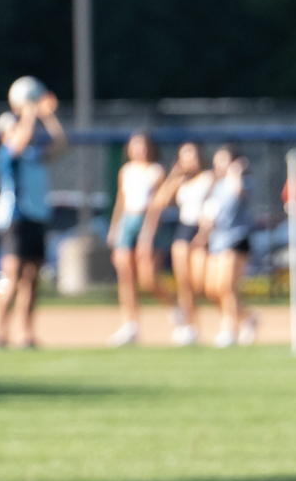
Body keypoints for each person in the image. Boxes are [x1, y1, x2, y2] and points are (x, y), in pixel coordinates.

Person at [0, 91, 66, 349]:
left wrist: (48, 116)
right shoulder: (7, 155)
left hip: (37, 219)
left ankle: (26, 334)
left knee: (32, 279)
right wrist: (30, 109)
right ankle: (0, 333)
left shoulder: (33, 155)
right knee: (12, 277)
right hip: (17, 219)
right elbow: (20, 139)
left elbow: (61, 144)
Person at [106, 132, 178, 346]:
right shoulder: (126, 170)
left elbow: (156, 206)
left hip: (147, 222)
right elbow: (121, 200)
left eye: (144, 146)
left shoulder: (156, 171)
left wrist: (148, 233)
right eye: (135, 146)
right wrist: (115, 226)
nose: (140, 150)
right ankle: (131, 325)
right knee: (125, 273)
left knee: (148, 277)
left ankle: (175, 309)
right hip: (128, 221)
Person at [140, 142, 214, 346]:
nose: (189, 160)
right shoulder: (181, 180)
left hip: (201, 229)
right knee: (184, 283)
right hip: (184, 228)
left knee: (200, 282)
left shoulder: (208, 177)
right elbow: (160, 202)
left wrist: (205, 233)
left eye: (192, 155)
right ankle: (191, 326)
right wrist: (174, 175)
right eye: (184, 156)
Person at [194, 145, 257, 347]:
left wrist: (236, 172)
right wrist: (203, 230)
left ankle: (229, 328)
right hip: (217, 241)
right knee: (212, 289)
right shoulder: (216, 186)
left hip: (236, 239)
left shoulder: (242, 182)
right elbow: (209, 213)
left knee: (226, 286)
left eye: (224, 161)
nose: (219, 166)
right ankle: (247, 318)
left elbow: (238, 193)